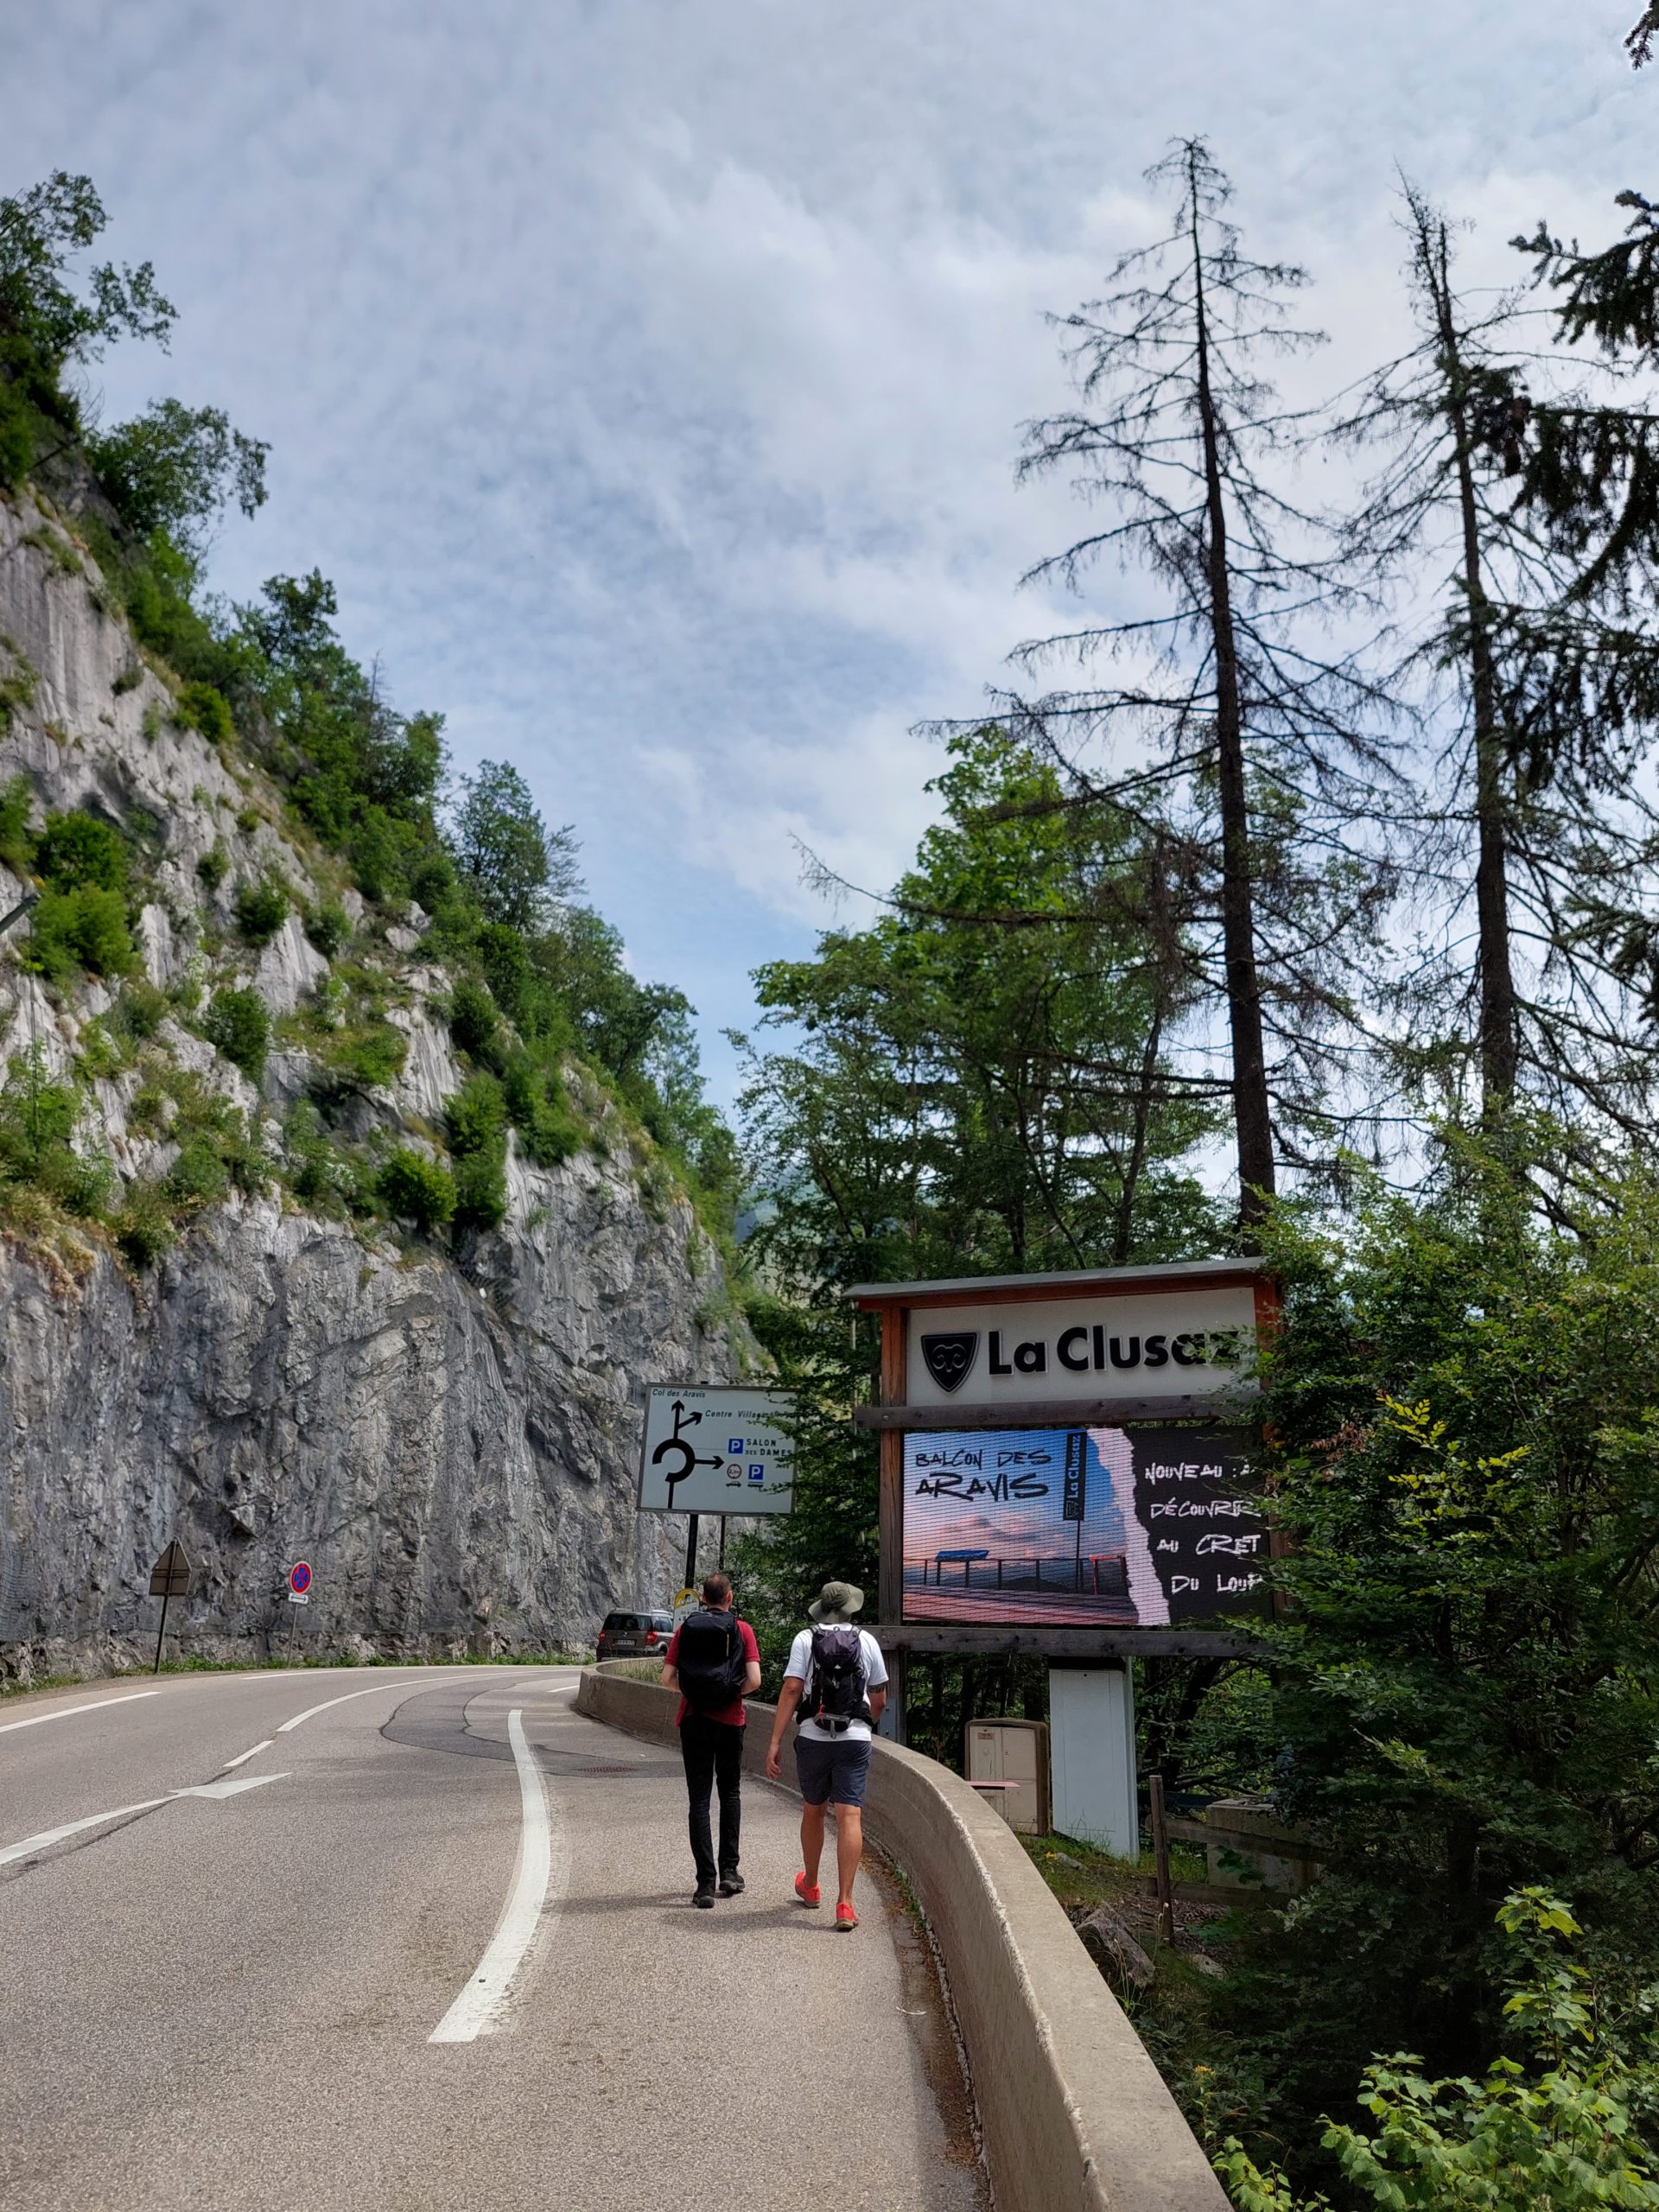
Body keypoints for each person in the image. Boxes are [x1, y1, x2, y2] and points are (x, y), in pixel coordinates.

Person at [765, 1580, 887, 1931]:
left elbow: (791, 1689)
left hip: (814, 1738)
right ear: (851, 1608)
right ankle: (846, 1904)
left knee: (814, 1811)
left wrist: (774, 1740)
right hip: (854, 1739)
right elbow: (879, 1696)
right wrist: (865, 1723)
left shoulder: (806, 1639)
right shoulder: (866, 1641)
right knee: (850, 1817)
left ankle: (812, 1885)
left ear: (822, 1608)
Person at [661, 1571, 762, 1909]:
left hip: (694, 1720)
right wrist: (729, 1694)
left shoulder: (685, 1629)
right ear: (729, 1597)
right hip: (731, 1721)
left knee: (699, 1801)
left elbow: (666, 1679)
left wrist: (693, 1693)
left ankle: (705, 1883)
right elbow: (755, 1680)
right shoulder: (742, 1629)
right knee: (730, 1793)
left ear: (703, 1598)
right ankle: (729, 1873)